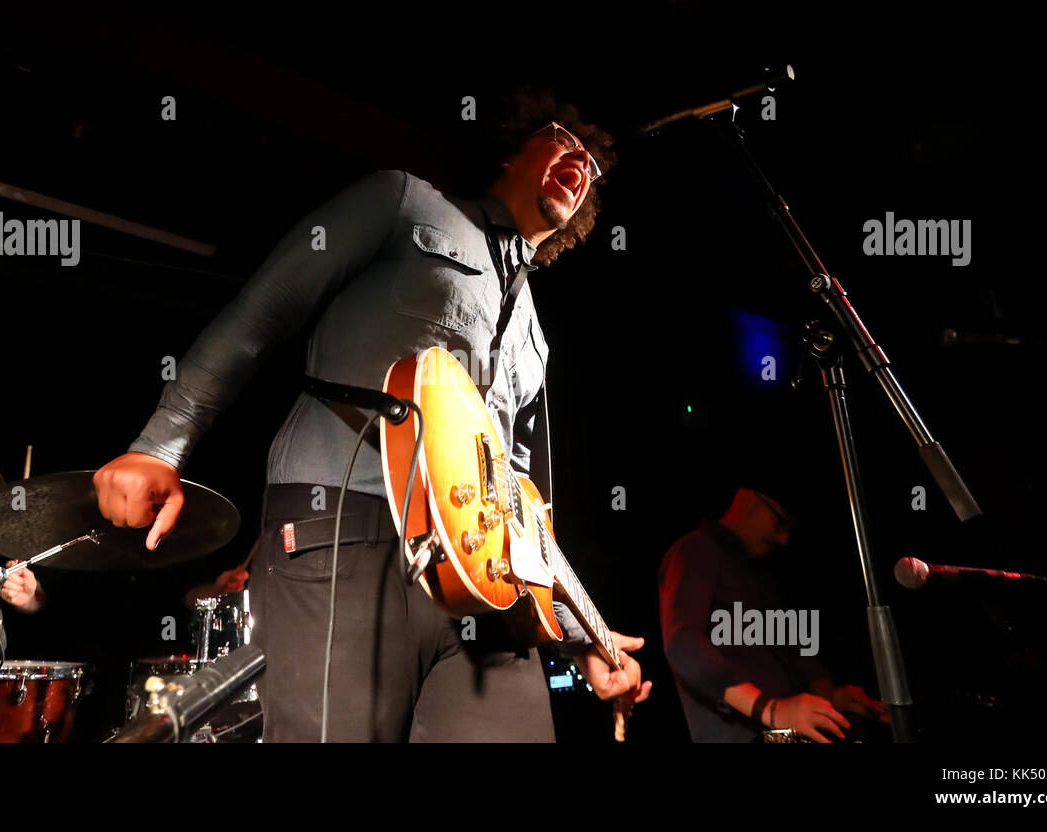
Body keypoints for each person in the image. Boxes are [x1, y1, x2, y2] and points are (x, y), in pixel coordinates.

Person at [89, 89, 650, 741]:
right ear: (513, 147)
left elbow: (524, 504)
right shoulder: (405, 201)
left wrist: (584, 637)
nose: (579, 161)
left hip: (484, 587)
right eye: (564, 139)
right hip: (345, 526)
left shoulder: (535, 336)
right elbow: (264, 310)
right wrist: (160, 445)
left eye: (592, 163)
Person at [659, 486, 888, 742]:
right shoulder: (695, 548)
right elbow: (682, 643)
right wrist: (773, 709)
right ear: (750, 501)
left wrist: (831, 697)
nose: (783, 540)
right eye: (780, 523)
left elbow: (793, 651)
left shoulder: (760, 574)